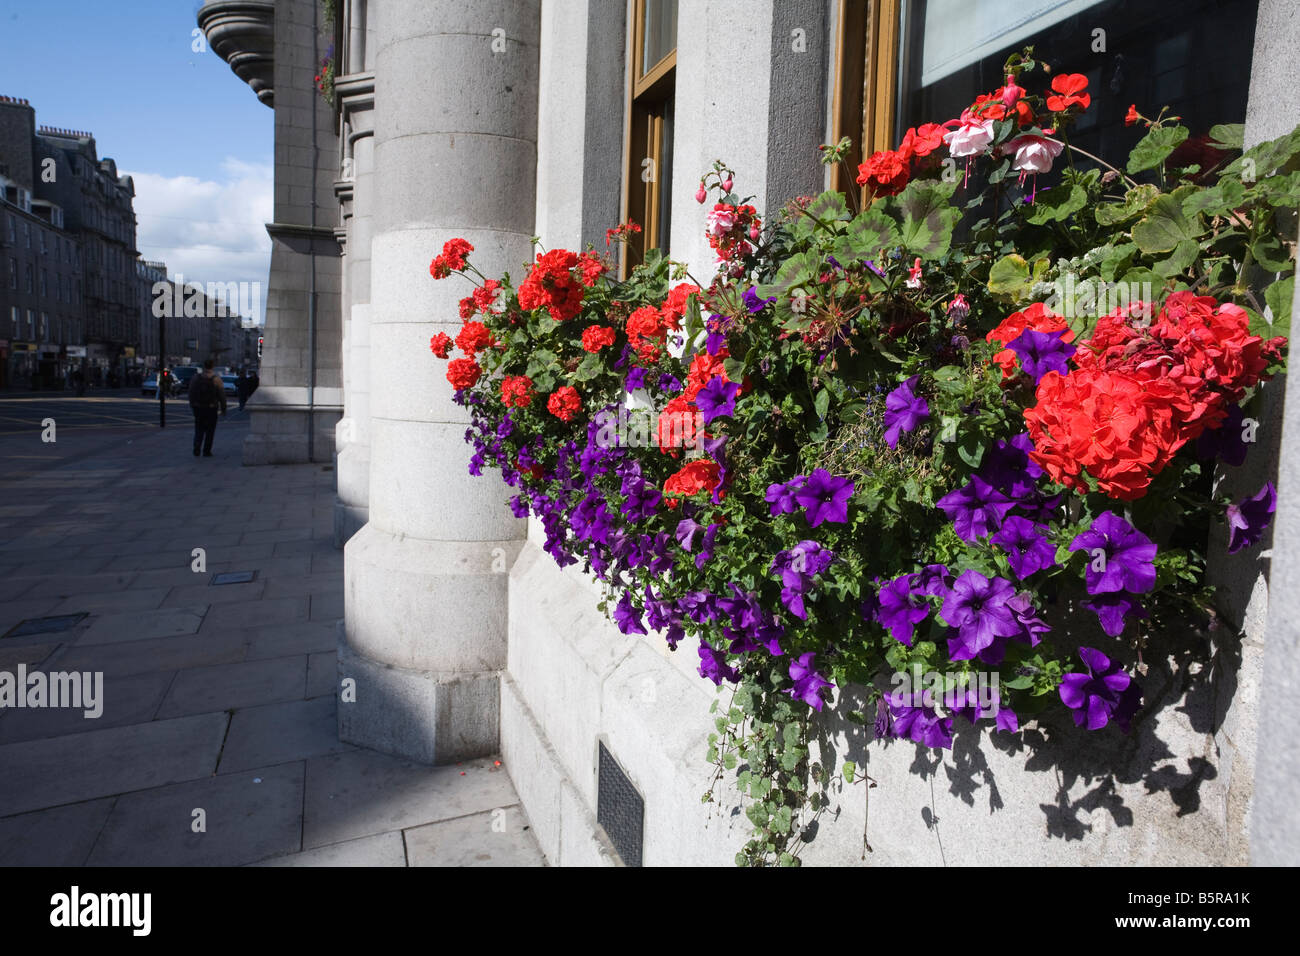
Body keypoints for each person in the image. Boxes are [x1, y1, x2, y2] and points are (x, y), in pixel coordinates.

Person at [189, 359, 227, 457]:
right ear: (212, 366)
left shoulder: (196, 377)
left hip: (198, 407)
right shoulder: (216, 379)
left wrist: (193, 405)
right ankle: (207, 450)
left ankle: (197, 448)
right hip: (211, 408)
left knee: (198, 428)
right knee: (210, 430)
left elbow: (191, 392)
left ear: (203, 366)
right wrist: (223, 408)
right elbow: (222, 395)